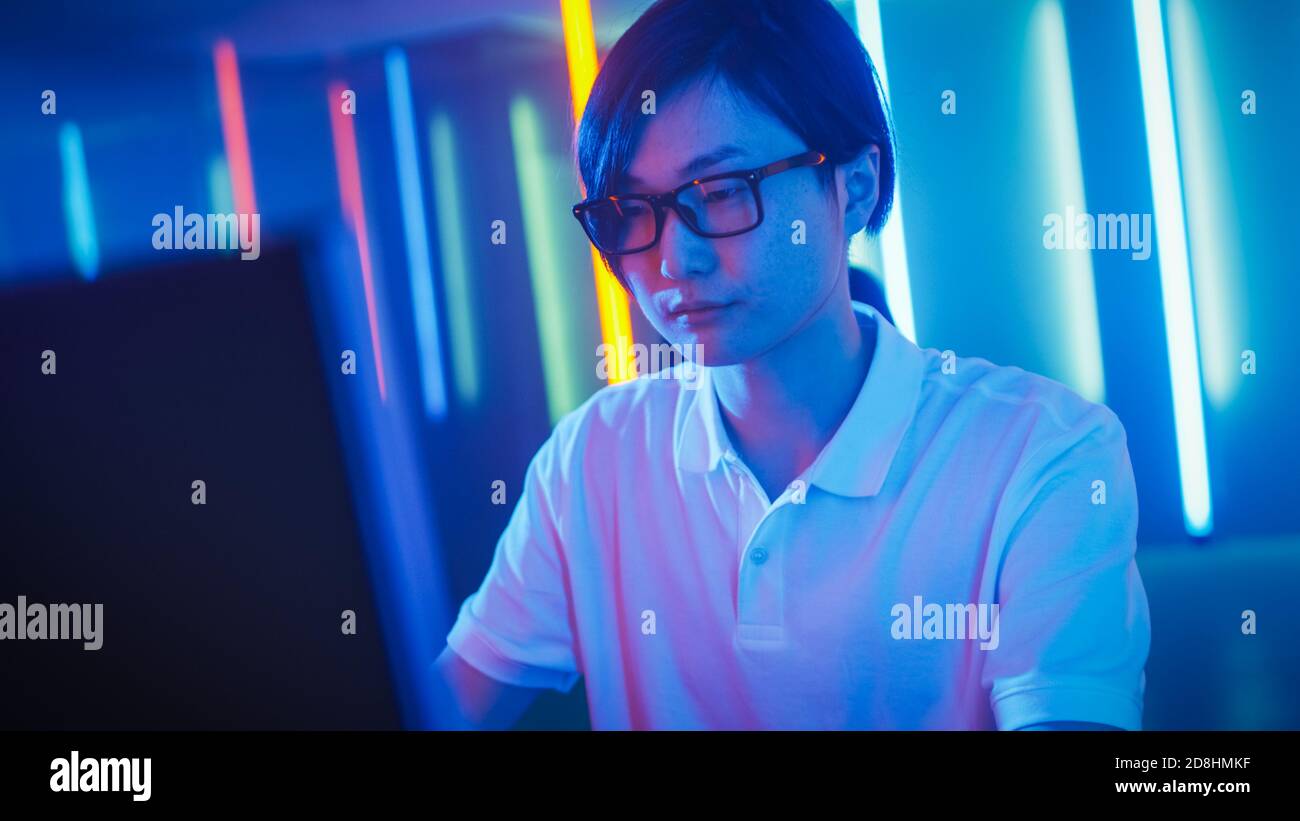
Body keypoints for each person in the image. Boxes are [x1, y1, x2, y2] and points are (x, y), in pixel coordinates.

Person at [431, 0, 1150, 730]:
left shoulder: (1039, 451)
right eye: (631, 211)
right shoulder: (593, 459)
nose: (674, 259)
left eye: (719, 192)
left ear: (855, 186)